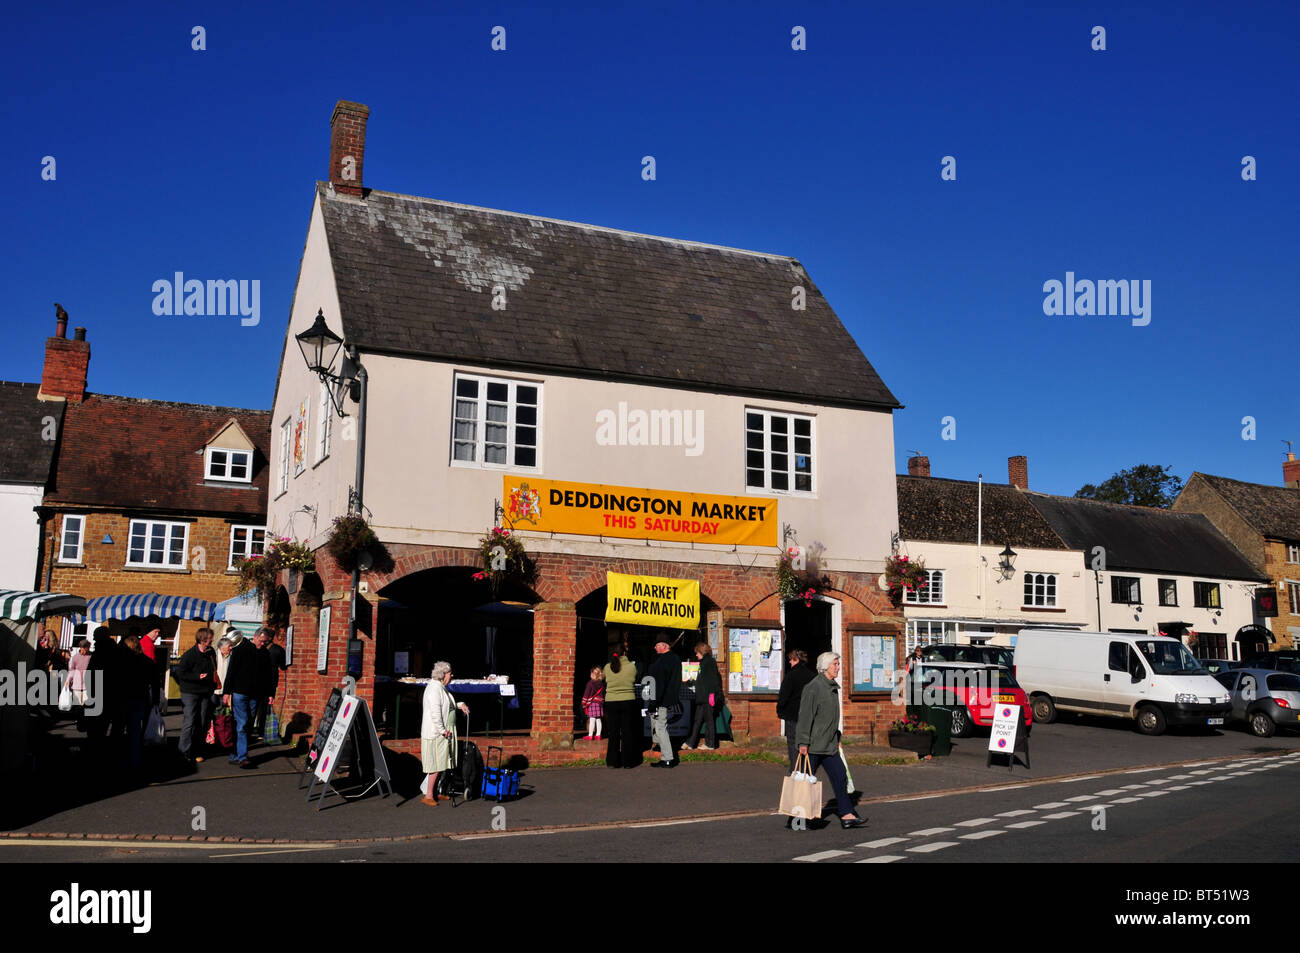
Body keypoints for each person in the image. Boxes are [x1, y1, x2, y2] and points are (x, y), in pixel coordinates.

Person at [796, 652, 865, 829]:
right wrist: (803, 742)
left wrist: (837, 737)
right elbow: (805, 717)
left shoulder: (832, 687)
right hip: (812, 745)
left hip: (829, 744)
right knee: (805, 784)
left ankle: (847, 815)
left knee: (840, 776)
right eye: (835, 664)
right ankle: (796, 819)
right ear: (825, 666)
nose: (838, 667)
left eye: (838, 664)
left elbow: (831, 718)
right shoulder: (814, 687)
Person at [222, 627, 274, 768]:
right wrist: (226, 692)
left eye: (265, 642)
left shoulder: (265, 654)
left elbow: (269, 675)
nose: (263, 644)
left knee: (248, 723)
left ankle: (234, 754)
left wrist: (270, 694)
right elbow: (231, 671)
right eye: (262, 641)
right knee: (243, 723)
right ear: (255, 637)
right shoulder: (241, 650)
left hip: (255, 694)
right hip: (240, 692)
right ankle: (243, 757)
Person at [421, 661, 469, 805]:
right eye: (449, 673)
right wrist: (442, 731)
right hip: (437, 733)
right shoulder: (434, 690)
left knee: (442, 763)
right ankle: (428, 795)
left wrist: (461, 705)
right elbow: (436, 714)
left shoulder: (441, 688)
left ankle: (436, 792)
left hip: (444, 732)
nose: (452, 675)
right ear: (442, 675)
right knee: (435, 765)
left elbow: (449, 704)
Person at [172, 628, 218, 763]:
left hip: (205, 692)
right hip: (190, 692)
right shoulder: (190, 655)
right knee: (190, 721)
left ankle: (198, 750)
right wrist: (197, 676)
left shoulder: (211, 653)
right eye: (210, 639)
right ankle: (184, 751)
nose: (212, 641)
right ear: (203, 640)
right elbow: (180, 673)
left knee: (203, 721)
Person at [119, 634, 156, 770]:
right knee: (135, 732)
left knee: (118, 729)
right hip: (140, 698)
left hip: (123, 698)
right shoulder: (147, 662)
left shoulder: (121, 662)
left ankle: (117, 758)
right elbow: (155, 682)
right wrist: (155, 700)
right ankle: (134, 760)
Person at [602, 643, 641, 769]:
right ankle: (628, 762)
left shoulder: (608, 667)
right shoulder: (631, 667)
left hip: (611, 701)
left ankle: (612, 761)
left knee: (613, 733)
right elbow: (635, 679)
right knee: (627, 732)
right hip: (628, 700)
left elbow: (603, 679)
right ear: (625, 653)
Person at [776, 649, 816, 769]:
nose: (789, 662)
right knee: (807, 741)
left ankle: (795, 768)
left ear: (797, 660)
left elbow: (783, 696)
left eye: (791, 660)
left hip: (793, 715)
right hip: (808, 715)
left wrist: (780, 711)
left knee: (793, 742)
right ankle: (806, 767)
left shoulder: (791, 676)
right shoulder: (812, 676)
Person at [647, 637, 682, 768]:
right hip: (669, 699)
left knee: (661, 727)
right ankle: (661, 748)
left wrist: (653, 703)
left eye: (656, 645)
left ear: (664, 646)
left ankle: (667, 758)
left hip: (660, 700)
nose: (655, 648)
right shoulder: (676, 659)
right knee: (659, 726)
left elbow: (659, 685)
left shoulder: (662, 662)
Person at [681, 642, 721, 751]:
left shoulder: (709, 662)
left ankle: (710, 744)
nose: (696, 655)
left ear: (701, 652)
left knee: (709, 720)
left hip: (707, 697)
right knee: (697, 720)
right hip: (702, 697)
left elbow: (713, 681)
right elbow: (700, 679)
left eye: (697, 653)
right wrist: (689, 681)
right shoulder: (704, 662)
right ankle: (690, 743)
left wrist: (712, 695)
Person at [257, 628, 289, 740]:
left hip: (258, 680)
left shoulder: (260, 648)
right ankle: (262, 731)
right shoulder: (278, 650)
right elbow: (284, 666)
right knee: (266, 706)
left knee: (256, 706)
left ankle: (257, 730)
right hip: (271, 681)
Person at [581, 666, 605, 740]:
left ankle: (590, 735)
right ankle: (598, 735)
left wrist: (583, 702)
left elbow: (586, 694)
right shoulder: (601, 683)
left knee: (592, 719)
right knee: (598, 719)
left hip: (592, 703)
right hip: (599, 703)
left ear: (593, 674)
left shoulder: (590, 683)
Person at [68, 638, 91, 707]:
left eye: (85, 649)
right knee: (77, 703)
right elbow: (71, 670)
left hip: (87, 683)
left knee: (86, 703)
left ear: (88, 648)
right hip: (77, 683)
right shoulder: (75, 657)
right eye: (81, 649)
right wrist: (68, 680)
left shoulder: (90, 657)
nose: (83, 651)